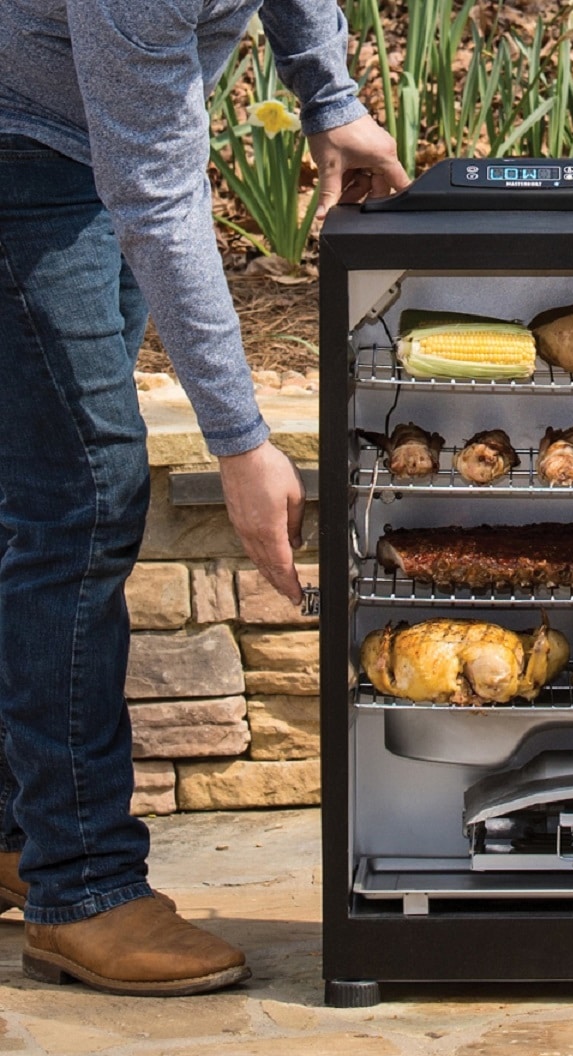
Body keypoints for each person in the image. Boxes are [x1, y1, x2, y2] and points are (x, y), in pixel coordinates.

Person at [0, 1, 408, 997]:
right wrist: (239, 440)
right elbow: (155, 188)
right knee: (85, 502)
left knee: (43, 497)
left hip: (75, 138)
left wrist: (332, 99)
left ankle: (20, 833)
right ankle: (82, 887)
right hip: (25, 153)